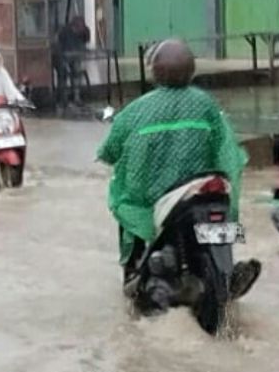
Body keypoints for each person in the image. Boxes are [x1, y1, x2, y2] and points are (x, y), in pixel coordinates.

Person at [97, 39, 258, 294]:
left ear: (155, 71)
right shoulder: (207, 104)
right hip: (206, 187)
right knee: (221, 220)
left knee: (128, 206)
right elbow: (228, 148)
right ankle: (226, 270)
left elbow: (108, 151)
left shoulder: (137, 110)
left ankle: (134, 271)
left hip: (158, 197)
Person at [54, 14, 90, 108]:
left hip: (75, 56)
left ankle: (77, 98)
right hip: (62, 57)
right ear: (74, 26)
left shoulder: (84, 32)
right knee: (63, 75)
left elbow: (85, 41)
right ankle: (63, 99)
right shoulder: (64, 32)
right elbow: (58, 46)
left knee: (77, 73)